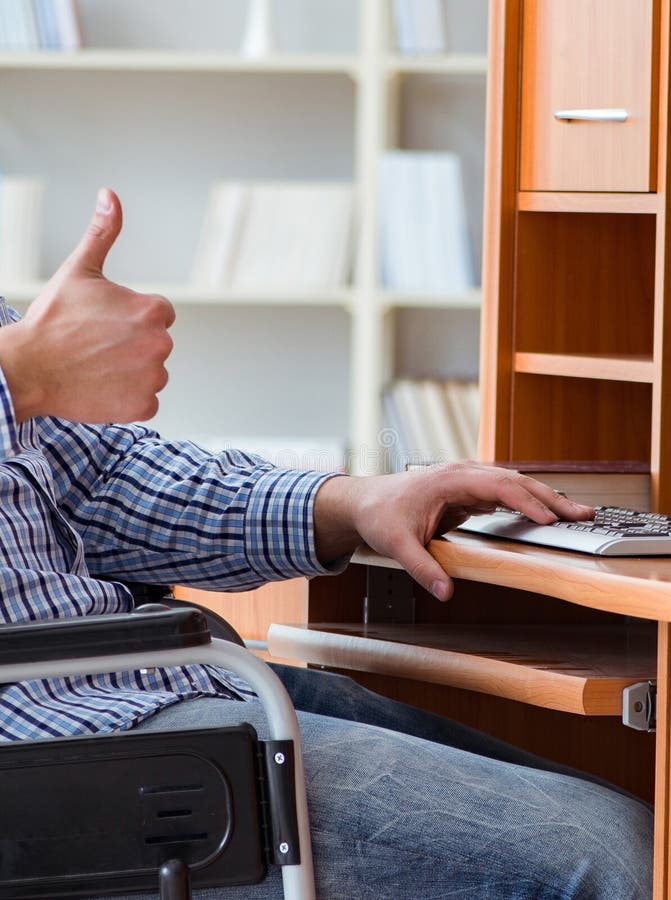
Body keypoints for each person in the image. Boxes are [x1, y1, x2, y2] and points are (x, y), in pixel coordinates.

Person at [0, 189, 653, 898]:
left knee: (643, 820)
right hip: (52, 749)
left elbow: (101, 484)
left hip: (154, 680)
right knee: (609, 860)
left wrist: (353, 502)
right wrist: (22, 372)